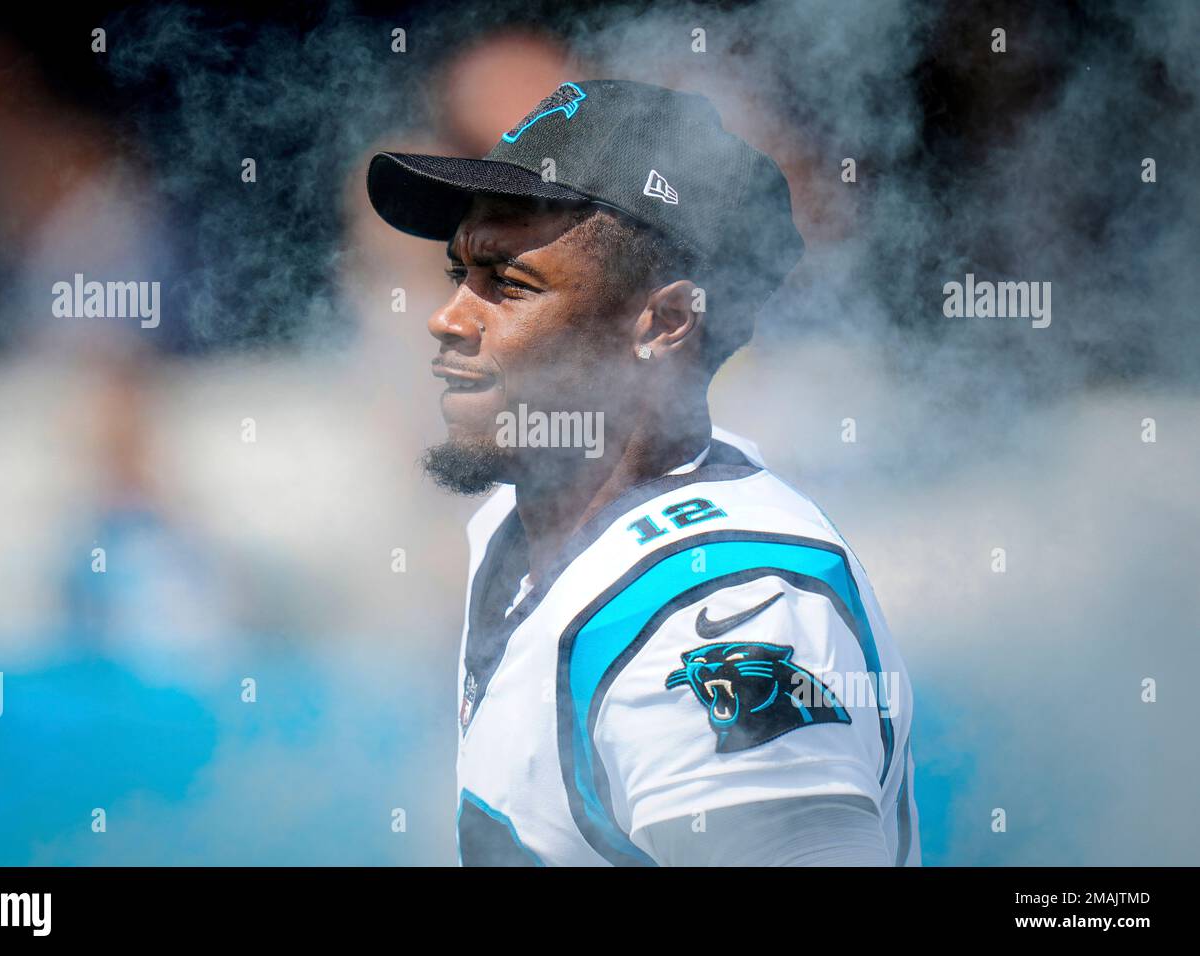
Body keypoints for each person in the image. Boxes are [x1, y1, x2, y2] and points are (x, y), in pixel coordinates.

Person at [366, 78, 919, 866]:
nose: (449, 317)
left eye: (509, 284)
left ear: (662, 324)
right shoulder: (516, 522)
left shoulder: (728, 608)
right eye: (460, 273)